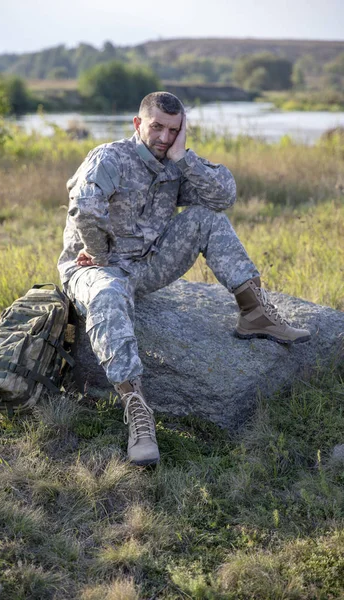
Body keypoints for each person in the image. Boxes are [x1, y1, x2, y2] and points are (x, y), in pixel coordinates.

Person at [58, 92, 310, 466]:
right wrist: (99, 253)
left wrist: (183, 158)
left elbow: (223, 196)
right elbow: (83, 208)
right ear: (138, 123)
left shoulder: (174, 163)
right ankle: (138, 412)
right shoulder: (109, 158)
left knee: (206, 219)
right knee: (109, 293)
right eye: (156, 126)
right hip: (97, 267)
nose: (163, 136)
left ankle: (254, 312)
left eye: (173, 130)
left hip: (146, 266)